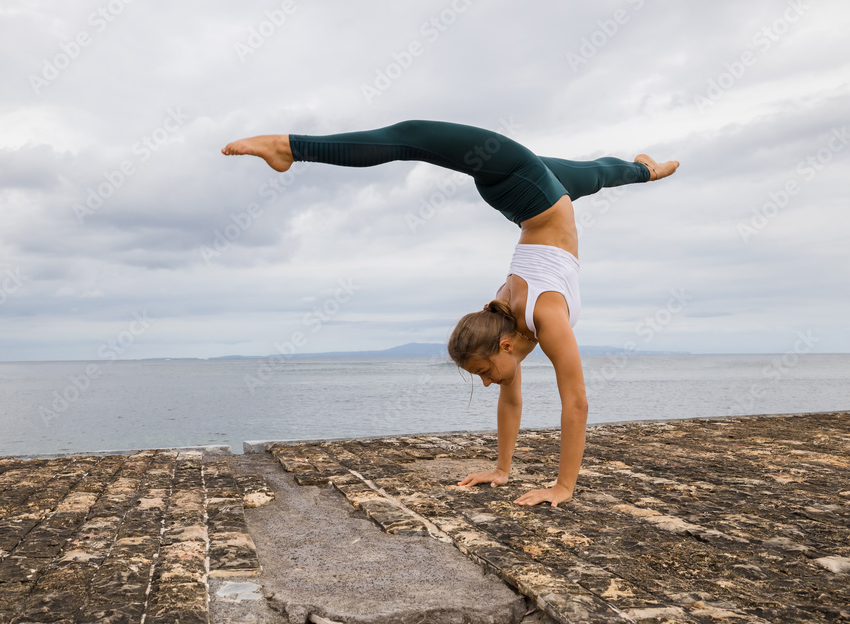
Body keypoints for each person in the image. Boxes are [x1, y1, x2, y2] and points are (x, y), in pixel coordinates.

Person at [222, 120, 679, 507]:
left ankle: (289, 148)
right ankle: (644, 170)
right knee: (596, 174)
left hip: (523, 184)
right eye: (483, 374)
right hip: (539, 193)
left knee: (411, 136)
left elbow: (575, 401)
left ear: (502, 346)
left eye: (482, 372)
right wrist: (501, 470)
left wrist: (563, 486)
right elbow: (515, 400)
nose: (486, 381)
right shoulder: (520, 326)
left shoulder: (536, 318)